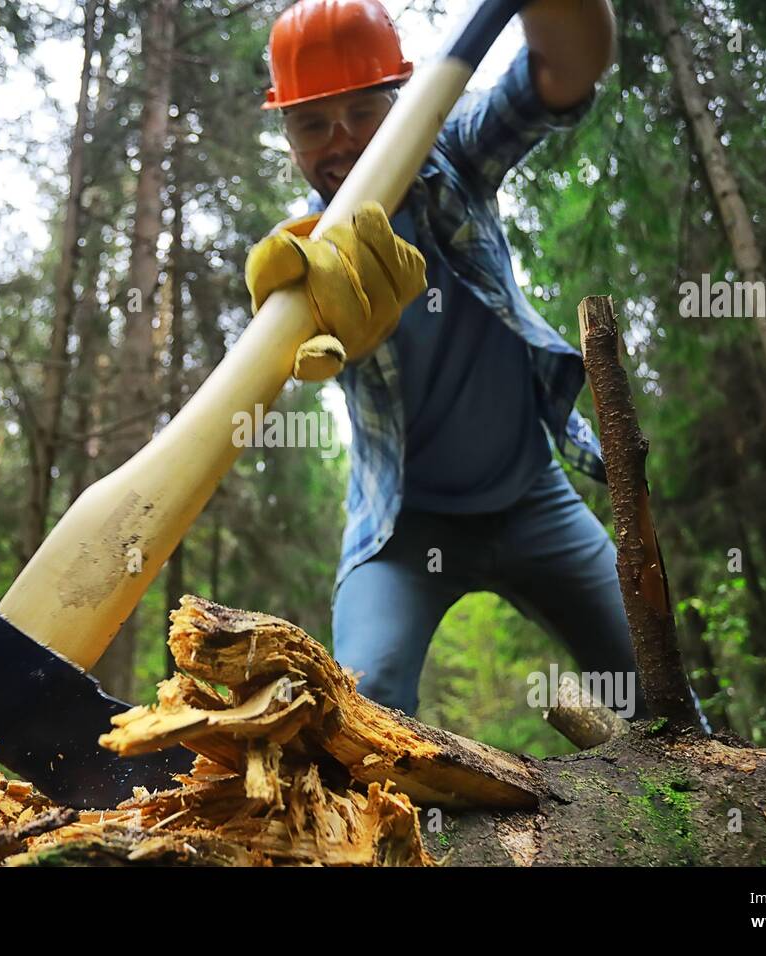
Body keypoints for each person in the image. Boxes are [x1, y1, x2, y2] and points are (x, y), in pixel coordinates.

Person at [245, 0, 652, 722]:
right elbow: (262, 377)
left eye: (363, 112)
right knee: (362, 707)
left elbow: (567, 69)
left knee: (651, 677)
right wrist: (298, 330)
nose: (341, 142)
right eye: (313, 123)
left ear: (400, 104)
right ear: (288, 138)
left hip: (535, 497)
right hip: (401, 529)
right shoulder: (298, 254)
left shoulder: (458, 156)